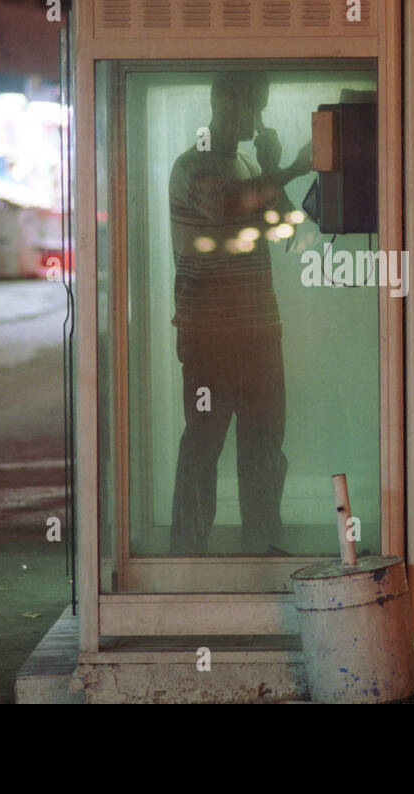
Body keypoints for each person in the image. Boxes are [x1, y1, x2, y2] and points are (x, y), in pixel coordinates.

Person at [167, 72, 312, 555]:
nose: (258, 118)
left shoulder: (252, 165)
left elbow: (291, 231)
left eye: (262, 108)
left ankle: (263, 543)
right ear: (224, 104)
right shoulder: (191, 166)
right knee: (203, 445)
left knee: (265, 445)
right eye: (253, 107)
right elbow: (224, 208)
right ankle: (187, 554)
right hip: (209, 333)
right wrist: (287, 170)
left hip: (257, 330)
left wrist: (273, 172)